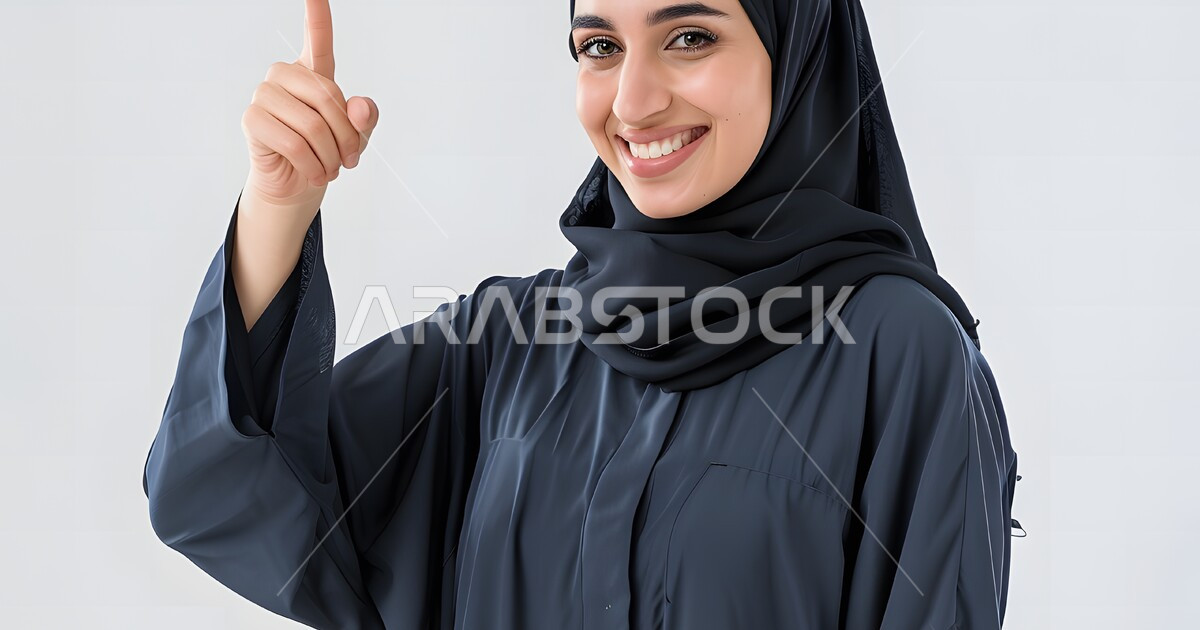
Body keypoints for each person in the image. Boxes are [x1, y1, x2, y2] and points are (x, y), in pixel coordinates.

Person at [142, 0, 1020, 628]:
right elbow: (220, 491)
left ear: (795, 52)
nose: (633, 102)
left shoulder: (902, 356)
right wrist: (279, 204)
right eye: (600, 46)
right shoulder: (510, 339)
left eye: (689, 37)